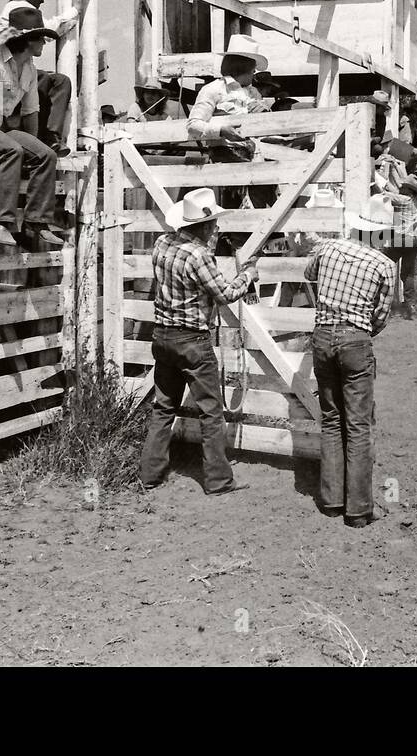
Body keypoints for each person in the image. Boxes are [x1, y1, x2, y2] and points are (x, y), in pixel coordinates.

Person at [139, 188, 259, 494]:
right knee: (210, 411)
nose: (216, 229)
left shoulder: (162, 243)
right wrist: (248, 275)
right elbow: (225, 294)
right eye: (214, 225)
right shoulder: (200, 255)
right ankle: (218, 480)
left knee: (163, 406)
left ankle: (149, 475)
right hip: (192, 340)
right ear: (204, 227)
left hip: (163, 335)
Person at [305, 196, 396, 528]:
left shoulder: (328, 250)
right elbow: (382, 316)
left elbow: (308, 273)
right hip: (355, 337)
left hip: (322, 335)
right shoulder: (384, 265)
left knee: (331, 418)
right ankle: (357, 508)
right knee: (358, 424)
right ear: (381, 233)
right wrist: (361, 329)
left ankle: (331, 499)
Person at [0, 7, 68, 248]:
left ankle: (37, 221)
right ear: (27, 40)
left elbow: (30, 110)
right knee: (12, 150)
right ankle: (0, 221)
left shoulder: (29, 68)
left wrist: (34, 145)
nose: (43, 44)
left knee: (46, 154)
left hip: (3, 125)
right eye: (40, 38)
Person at [0, 0, 77, 156]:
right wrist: (74, 11)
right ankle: (49, 136)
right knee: (56, 82)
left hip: (17, 66)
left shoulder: (16, 8)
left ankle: (45, 137)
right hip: (10, 68)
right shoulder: (19, 9)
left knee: (51, 83)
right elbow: (49, 30)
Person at [188, 36, 274, 213]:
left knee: (269, 178)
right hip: (224, 153)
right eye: (252, 69)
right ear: (243, 67)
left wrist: (264, 114)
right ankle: (240, 235)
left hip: (253, 153)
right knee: (255, 183)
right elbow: (193, 125)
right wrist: (221, 131)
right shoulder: (213, 90)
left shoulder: (253, 93)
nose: (253, 74)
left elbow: (263, 124)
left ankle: (256, 232)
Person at [382, 174, 417, 319]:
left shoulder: (403, 200)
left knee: (382, 262)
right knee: (411, 274)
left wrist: (376, 182)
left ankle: (408, 307)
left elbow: (385, 194)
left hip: (403, 239)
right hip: (416, 240)